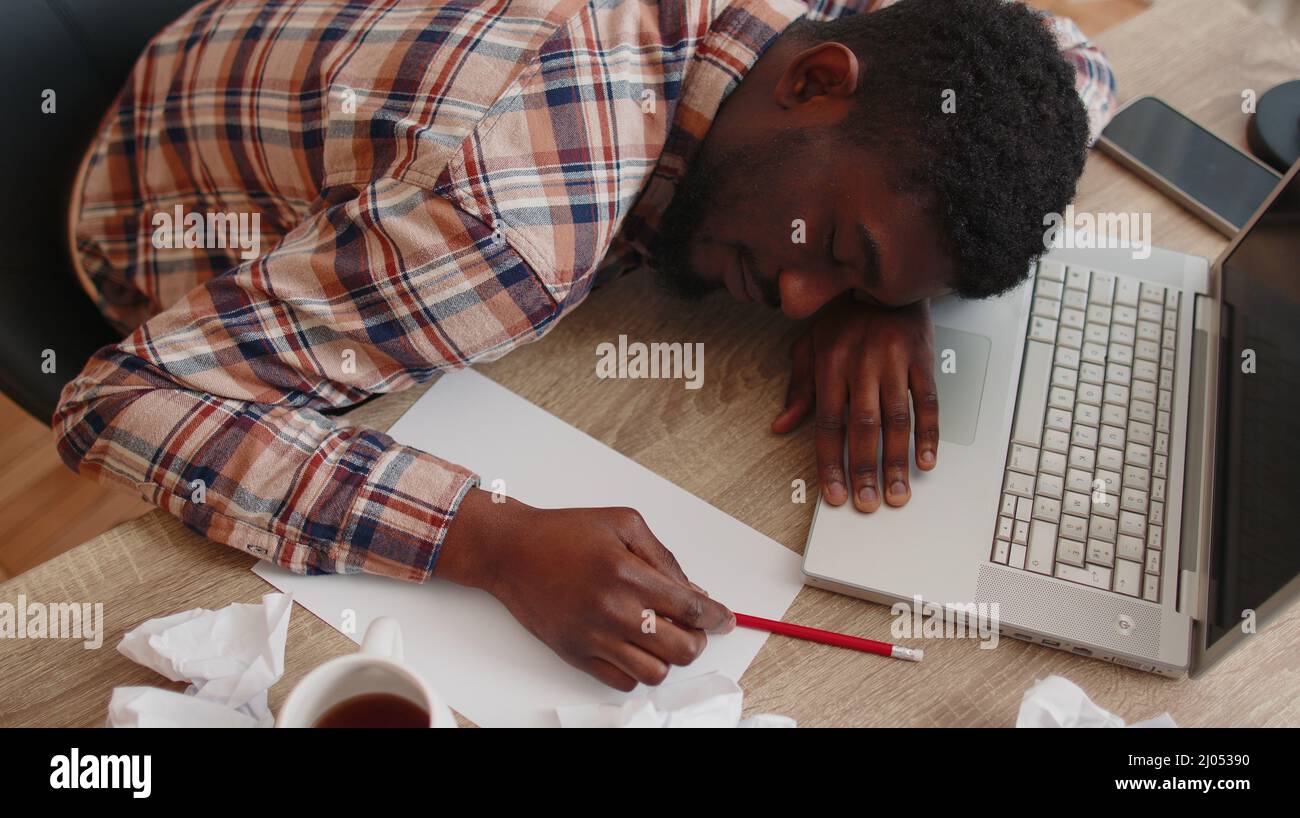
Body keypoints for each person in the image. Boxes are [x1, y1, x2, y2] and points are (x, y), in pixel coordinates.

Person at [55, 0, 1114, 691]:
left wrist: (890, 289)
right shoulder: (507, 234)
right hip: (157, 211)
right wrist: (487, 539)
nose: (798, 300)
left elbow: (1071, 64)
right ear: (815, 82)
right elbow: (120, 397)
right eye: (828, 248)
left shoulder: (851, 49)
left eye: (839, 273)